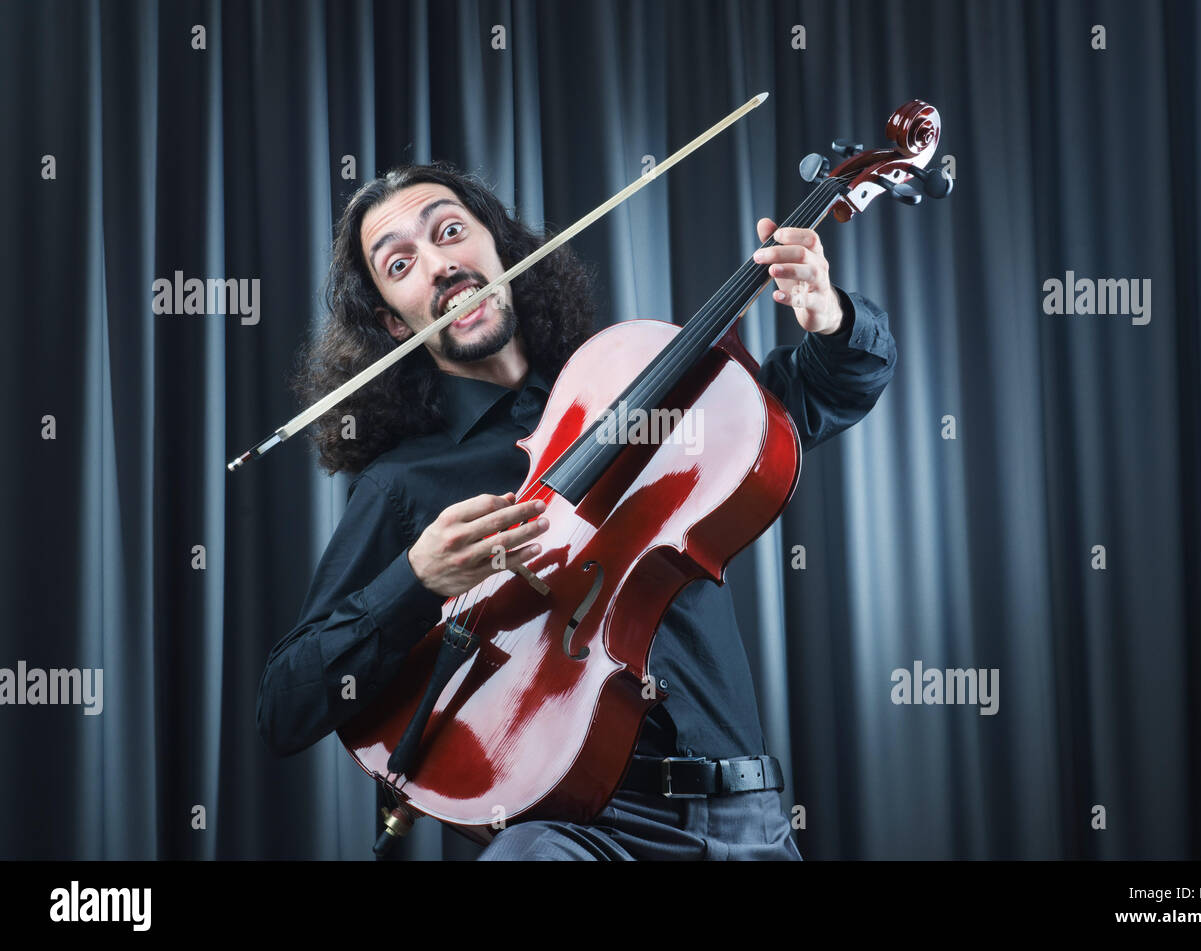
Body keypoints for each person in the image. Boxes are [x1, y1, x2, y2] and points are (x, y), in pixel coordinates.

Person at [256, 161, 896, 860]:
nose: (439, 265)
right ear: (391, 318)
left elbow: (801, 403)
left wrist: (830, 320)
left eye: (449, 232)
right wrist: (414, 578)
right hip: (573, 832)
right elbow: (285, 706)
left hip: (746, 819)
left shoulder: (629, 388)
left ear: (500, 248)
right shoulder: (404, 484)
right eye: (401, 262)